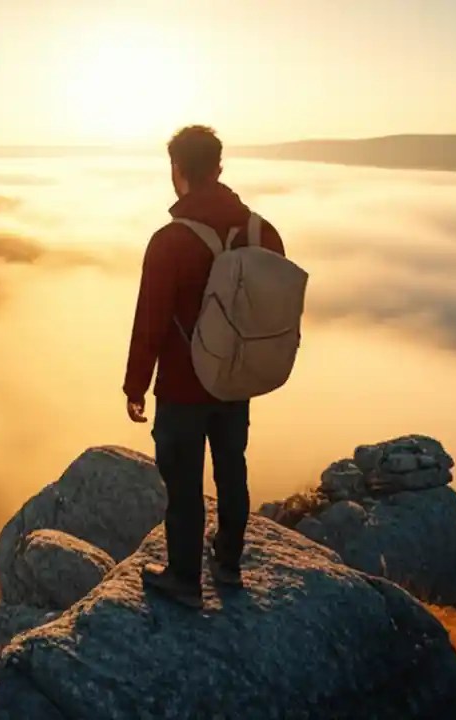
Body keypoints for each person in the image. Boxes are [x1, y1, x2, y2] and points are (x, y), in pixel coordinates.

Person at [124, 125, 286, 609]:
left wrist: (136, 384)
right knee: (232, 469)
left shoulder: (170, 241)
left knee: (184, 484)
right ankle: (229, 562)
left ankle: (183, 578)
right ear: (218, 168)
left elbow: (150, 319)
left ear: (177, 171)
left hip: (182, 385)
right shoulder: (263, 232)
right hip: (237, 381)